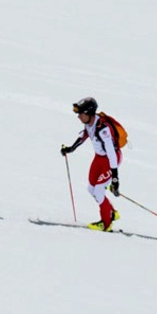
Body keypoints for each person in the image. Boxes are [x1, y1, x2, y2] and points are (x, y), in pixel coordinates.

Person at [61, 97, 123, 230]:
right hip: (99, 158)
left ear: (89, 113)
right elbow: (84, 134)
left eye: (80, 114)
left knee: (99, 191)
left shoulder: (103, 129)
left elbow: (112, 153)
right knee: (91, 189)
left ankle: (106, 224)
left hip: (110, 160)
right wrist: (71, 148)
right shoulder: (89, 122)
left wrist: (115, 178)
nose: (78, 117)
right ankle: (111, 212)